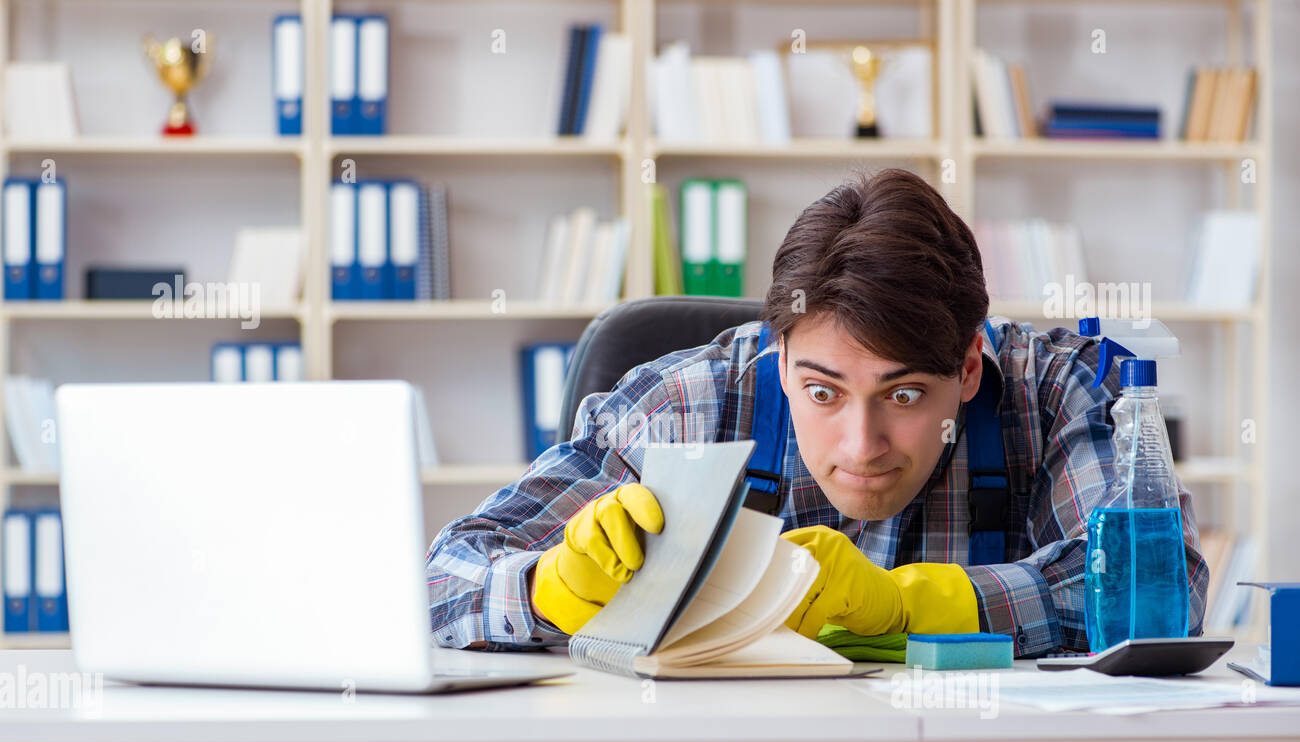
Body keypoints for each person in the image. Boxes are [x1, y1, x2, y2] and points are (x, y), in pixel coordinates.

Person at [425, 168, 1208, 656]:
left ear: (969, 365)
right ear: (778, 348)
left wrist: (908, 606)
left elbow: (1161, 592)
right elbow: (441, 582)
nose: (860, 443)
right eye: (822, 391)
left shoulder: (1050, 392)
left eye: (903, 395)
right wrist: (549, 588)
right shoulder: (688, 402)